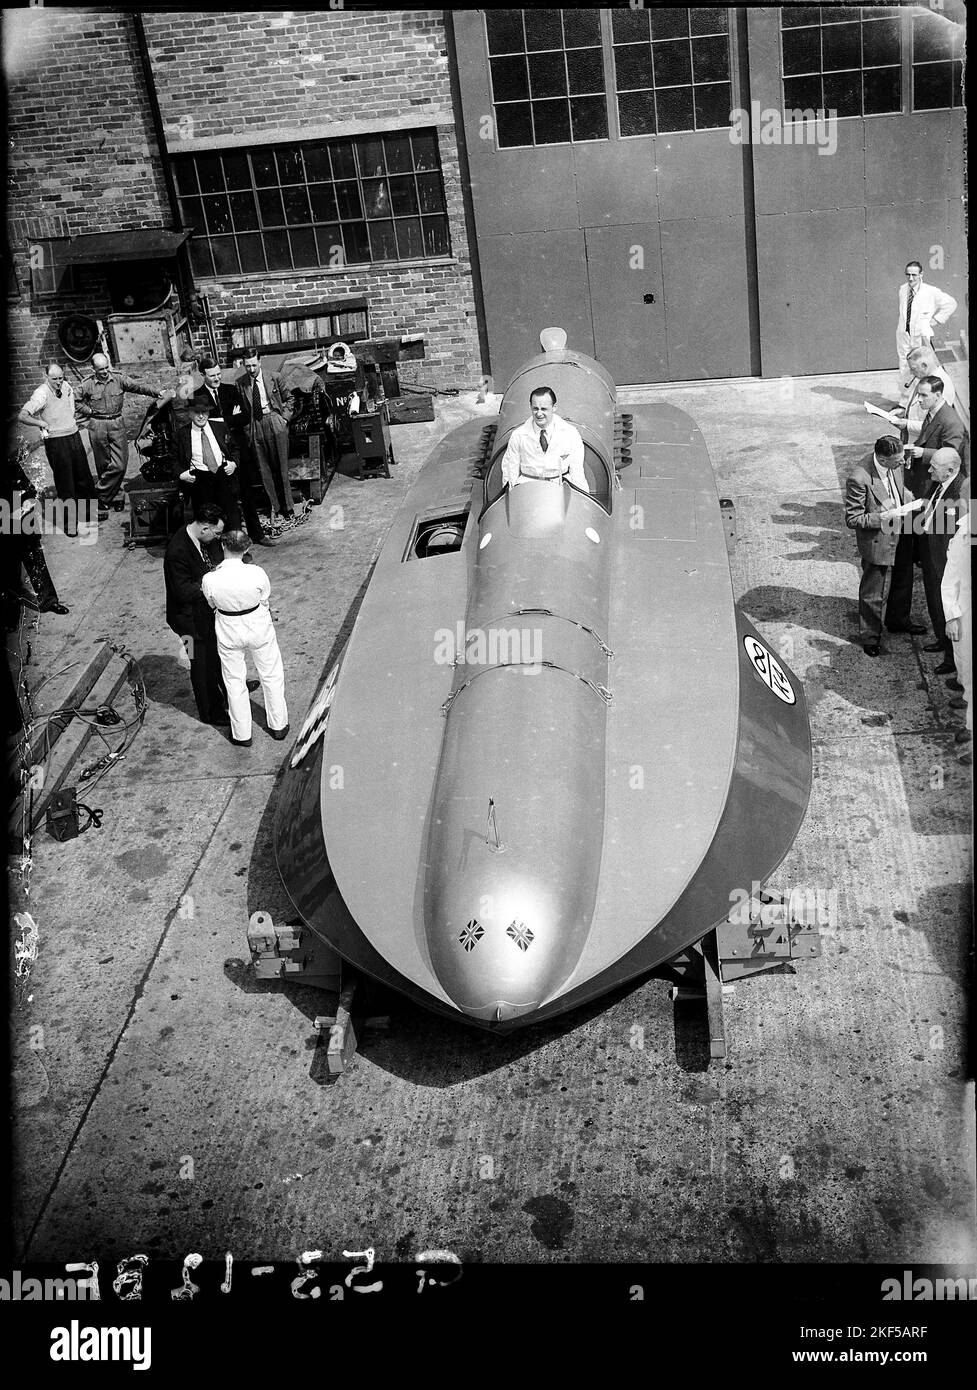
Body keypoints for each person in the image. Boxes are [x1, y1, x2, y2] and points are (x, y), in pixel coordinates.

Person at [201, 529, 288, 747]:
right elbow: (264, 597)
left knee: (234, 681)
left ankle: (242, 734)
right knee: (271, 674)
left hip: (228, 627)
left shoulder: (210, 579)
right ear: (246, 549)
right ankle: (278, 725)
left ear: (223, 546)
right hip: (258, 625)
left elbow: (211, 603)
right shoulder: (257, 573)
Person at [844, 435, 922, 656]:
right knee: (873, 591)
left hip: (903, 528)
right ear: (883, 459)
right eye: (897, 461)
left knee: (904, 578)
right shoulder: (859, 478)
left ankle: (898, 620)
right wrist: (883, 516)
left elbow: (897, 489)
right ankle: (870, 636)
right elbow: (853, 519)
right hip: (878, 537)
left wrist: (907, 498)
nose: (902, 463)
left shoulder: (894, 464)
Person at [75, 353, 168, 517]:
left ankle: (100, 494)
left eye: (106, 368)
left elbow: (138, 387)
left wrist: (158, 392)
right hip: (96, 424)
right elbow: (75, 402)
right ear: (93, 369)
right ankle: (115, 498)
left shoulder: (119, 379)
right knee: (103, 463)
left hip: (116, 423)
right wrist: (88, 411)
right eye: (100, 369)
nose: (105, 372)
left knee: (120, 464)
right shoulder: (87, 384)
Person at [197, 357, 274, 547]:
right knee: (228, 502)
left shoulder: (230, 390)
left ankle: (257, 534)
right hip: (216, 454)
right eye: (211, 375)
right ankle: (233, 544)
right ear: (202, 375)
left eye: (218, 374)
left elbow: (245, 417)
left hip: (239, 450)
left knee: (247, 494)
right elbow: (202, 425)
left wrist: (220, 421)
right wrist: (230, 418)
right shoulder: (197, 397)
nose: (216, 378)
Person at [163, 503, 228, 725]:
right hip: (186, 622)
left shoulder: (199, 539)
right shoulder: (177, 551)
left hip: (201, 614)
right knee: (200, 664)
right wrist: (211, 581)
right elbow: (182, 592)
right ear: (204, 528)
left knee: (214, 654)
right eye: (217, 533)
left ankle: (227, 691)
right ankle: (211, 711)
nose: (218, 538)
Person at [18, 364, 97, 524]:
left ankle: (87, 513)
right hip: (56, 441)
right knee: (65, 482)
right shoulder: (41, 393)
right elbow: (23, 415)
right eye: (55, 379)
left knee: (83, 477)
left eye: (61, 378)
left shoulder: (66, 386)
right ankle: (70, 522)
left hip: (73, 435)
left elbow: (70, 407)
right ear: (45, 376)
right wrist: (41, 423)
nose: (59, 382)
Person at [1, 448, 69, 618]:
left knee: (35, 559)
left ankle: (49, 600)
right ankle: (10, 612)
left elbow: (28, 488)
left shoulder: (9, 463)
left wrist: (24, 507)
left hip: (21, 516)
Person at [916, 447, 965, 675]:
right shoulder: (941, 482)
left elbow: (964, 536)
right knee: (934, 604)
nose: (929, 470)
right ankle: (941, 640)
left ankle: (951, 659)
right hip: (931, 554)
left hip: (945, 563)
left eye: (934, 468)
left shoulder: (960, 493)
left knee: (948, 610)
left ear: (950, 470)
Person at [234, 349, 297, 523]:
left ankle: (288, 507)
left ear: (260, 362)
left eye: (254, 365)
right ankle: (274, 507)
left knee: (281, 468)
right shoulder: (241, 383)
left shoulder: (274, 377)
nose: (251, 369)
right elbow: (241, 409)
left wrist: (284, 419)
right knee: (264, 470)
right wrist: (248, 428)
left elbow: (290, 398)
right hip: (255, 425)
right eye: (247, 366)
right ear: (243, 365)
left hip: (274, 420)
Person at [500, 385, 589, 493]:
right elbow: (510, 470)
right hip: (527, 489)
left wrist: (583, 499)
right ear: (530, 407)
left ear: (554, 407)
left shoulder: (570, 434)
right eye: (535, 409)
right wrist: (511, 496)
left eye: (544, 409)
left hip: (560, 489)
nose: (539, 414)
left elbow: (577, 472)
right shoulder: (518, 435)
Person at [176, 392, 242, 526]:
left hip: (222, 475)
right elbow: (172, 459)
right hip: (199, 479)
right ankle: (212, 546)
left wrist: (234, 463)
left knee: (231, 514)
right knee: (206, 519)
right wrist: (181, 474)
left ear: (208, 413)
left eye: (204, 412)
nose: (201, 416)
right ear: (190, 413)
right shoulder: (182, 434)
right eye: (196, 412)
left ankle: (234, 543)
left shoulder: (219, 427)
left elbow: (235, 448)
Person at [895, 261, 957, 389]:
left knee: (923, 367)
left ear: (921, 274)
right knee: (905, 366)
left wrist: (936, 319)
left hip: (921, 336)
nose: (910, 278)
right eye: (908, 275)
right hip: (905, 335)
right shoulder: (903, 289)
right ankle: (904, 400)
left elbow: (951, 303)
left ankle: (923, 399)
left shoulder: (930, 291)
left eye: (914, 275)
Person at [941, 510, 972, 763]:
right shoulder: (967, 527)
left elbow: (952, 576)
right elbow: (953, 576)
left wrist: (952, 615)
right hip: (965, 611)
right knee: (967, 669)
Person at [904, 377, 969, 492]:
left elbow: (952, 455)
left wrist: (923, 453)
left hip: (935, 482)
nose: (919, 399)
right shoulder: (932, 411)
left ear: (938, 395)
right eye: (918, 394)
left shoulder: (951, 421)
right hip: (924, 475)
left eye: (924, 395)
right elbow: (926, 437)